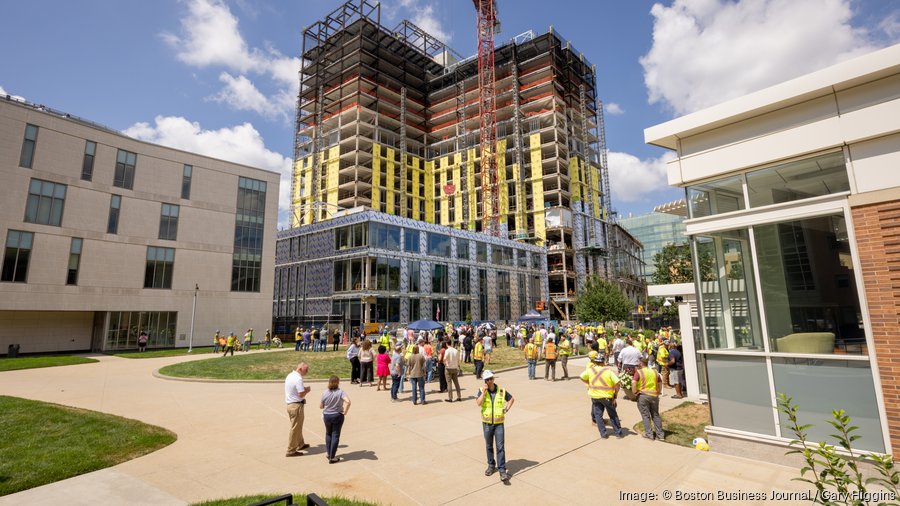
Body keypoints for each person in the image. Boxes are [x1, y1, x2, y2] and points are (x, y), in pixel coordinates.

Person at [476, 370, 514, 482]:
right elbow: (478, 403)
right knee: (489, 445)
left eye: (491, 379)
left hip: (499, 424)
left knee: (500, 447)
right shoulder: (481, 391)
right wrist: (483, 393)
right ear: (485, 381)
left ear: (493, 379)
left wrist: (506, 409)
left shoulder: (501, 391)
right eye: (487, 380)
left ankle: (502, 470)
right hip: (487, 423)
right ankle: (491, 466)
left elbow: (511, 399)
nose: (489, 381)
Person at [580, 351, 623, 439]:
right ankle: (618, 433)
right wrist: (615, 395)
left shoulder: (590, 370)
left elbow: (582, 377)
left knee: (598, 415)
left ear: (595, 362)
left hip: (595, 397)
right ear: (603, 362)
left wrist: (588, 385)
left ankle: (603, 434)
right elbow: (618, 383)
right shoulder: (608, 371)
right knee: (613, 415)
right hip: (607, 397)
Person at [320, 375, 351, 463]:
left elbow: (321, 406)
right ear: (338, 383)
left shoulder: (325, 392)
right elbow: (348, 402)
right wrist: (345, 411)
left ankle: (329, 453)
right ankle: (332, 457)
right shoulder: (340, 392)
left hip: (327, 415)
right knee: (335, 435)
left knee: (328, 433)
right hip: (337, 415)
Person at [633, 356, 664, 441]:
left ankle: (649, 434)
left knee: (645, 415)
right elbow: (660, 382)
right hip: (654, 396)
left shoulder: (639, 372)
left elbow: (634, 383)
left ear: (641, 363)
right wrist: (658, 391)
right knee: (656, 415)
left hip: (643, 395)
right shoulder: (655, 371)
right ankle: (660, 435)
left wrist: (635, 392)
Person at [284, 362, 312, 457]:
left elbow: (295, 389)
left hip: (290, 405)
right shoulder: (298, 378)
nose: (307, 372)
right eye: (306, 370)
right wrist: (307, 390)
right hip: (296, 406)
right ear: (300, 369)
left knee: (298, 426)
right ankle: (291, 450)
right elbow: (301, 394)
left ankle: (300, 444)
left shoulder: (290, 375)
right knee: (295, 428)